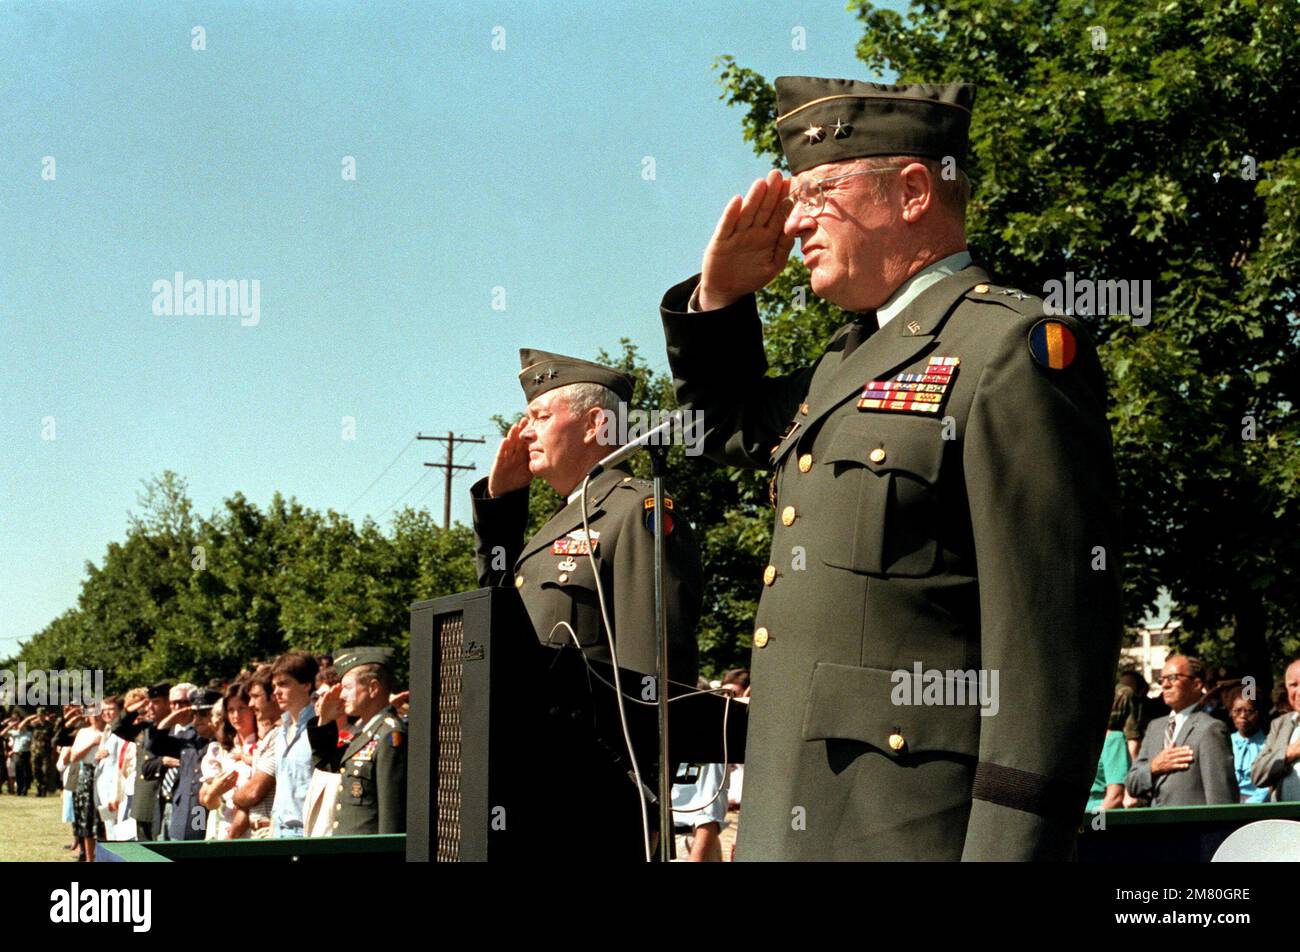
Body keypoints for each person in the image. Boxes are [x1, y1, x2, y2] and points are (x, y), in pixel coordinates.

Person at [658, 77, 1123, 860]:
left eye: (821, 192)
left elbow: (1049, 649)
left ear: (912, 191)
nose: (798, 219)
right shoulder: (843, 367)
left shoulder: (1009, 352)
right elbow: (716, 427)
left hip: (909, 834)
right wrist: (720, 299)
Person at [470, 350, 704, 858]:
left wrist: (646, 795)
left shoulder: (636, 510)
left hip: (599, 795)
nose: (523, 433)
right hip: (536, 782)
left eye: (540, 417)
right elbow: (493, 621)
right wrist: (502, 507)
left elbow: (655, 671)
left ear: (597, 423)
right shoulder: (556, 526)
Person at [310, 647, 407, 835]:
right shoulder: (367, 732)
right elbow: (326, 763)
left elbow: (391, 817)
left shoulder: (389, 734)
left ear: (373, 688)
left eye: (347, 688)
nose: (342, 695)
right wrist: (326, 720)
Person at [1126, 655, 1236, 806]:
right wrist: (1154, 767)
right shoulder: (1154, 728)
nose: (1164, 685)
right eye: (1161, 680)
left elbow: (1221, 799)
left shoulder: (1210, 729)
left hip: (1193, 828)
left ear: (1196, 684)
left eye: (1172, 678)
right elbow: (1132, 783)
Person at [268, 651, 319, 837]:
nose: (276, 691)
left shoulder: (320, 728)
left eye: (283, 684)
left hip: (308, 833)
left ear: (306, 684)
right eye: (274, 685)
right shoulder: (281, 732)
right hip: (279, 832)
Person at [114, 682, 172, 841]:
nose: (150, 707)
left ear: (169, 702)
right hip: (144, 801)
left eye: (156, 702)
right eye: (149, 703)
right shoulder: (145, 729)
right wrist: (138, 705)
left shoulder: (176, 728)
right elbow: (118, 727)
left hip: (165, 800)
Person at [232, 665, 282, 836]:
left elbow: (253, 792)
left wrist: (235, 797)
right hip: (258, 829)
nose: (251, 704)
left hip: (270, 830)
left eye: (255, 696)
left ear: (274, 696)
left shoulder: (280, 736)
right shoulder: (273, 734)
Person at [1250, 658, 1300, 801]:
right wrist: (1289, 753)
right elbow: (1257, 775)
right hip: (1284, 819)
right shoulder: (1280, 725)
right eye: (1293, 685)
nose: (1299, 691)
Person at [1086, 688, 1133, 813]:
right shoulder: (1081, 741)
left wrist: (1095, 825)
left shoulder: (1113, 739)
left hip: (1095, 818)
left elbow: (1115, 797)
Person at [1225, 686, 1269, 803]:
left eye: (1249, 711)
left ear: (1259, 713)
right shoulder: (1224, 742)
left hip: (1258, 809)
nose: (1243, 716)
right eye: (1237, 711)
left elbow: (1268, 784)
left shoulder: (1268, 745)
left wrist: (1247, 806)